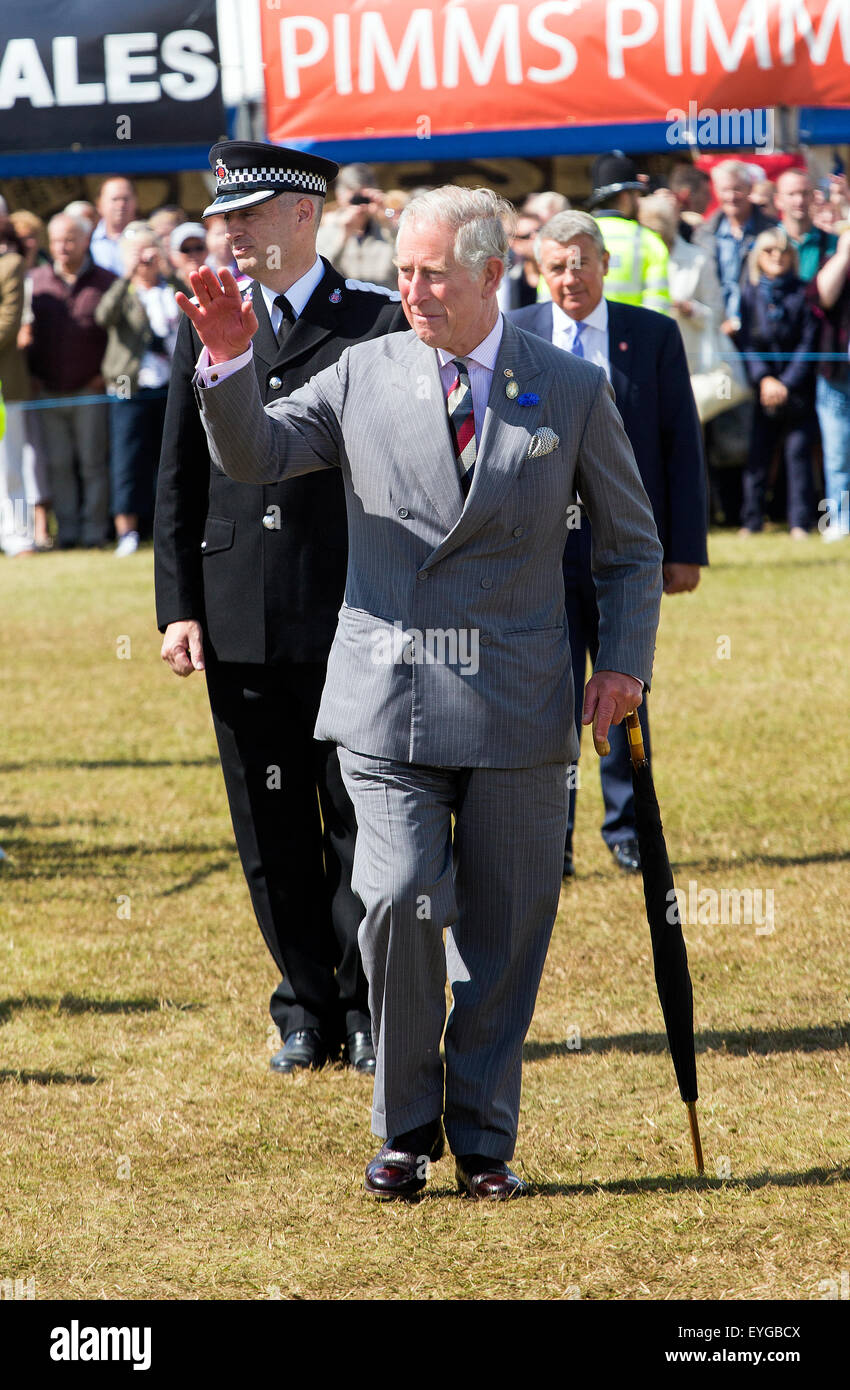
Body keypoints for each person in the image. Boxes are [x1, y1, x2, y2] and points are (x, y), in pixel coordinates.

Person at [181, 185, 664, 1200]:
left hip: (521, 701)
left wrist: (622, 662)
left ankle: (485, 1140)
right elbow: (256, 453)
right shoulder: (363, 372)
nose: (412, 289)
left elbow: (627, 546)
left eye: (433, 273)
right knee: (396, 896)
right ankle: (404, 1128)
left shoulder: (569, 389)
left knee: (506, 925)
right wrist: (226, 364)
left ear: (494, 275)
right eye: (402, 270)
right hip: (387, 699)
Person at [154, 141, 406, 1078]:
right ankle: (304, 1006)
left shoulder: (376, 320)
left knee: (361, 823)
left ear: (306, 214)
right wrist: (178, 605)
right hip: (241, 608)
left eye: (249, 212)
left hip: (350, 608)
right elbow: (178, 472)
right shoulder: (210, 320)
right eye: (224, 214)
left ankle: (370, 1001)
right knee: (270, 831)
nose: (231, 228)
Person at [511, 210, 706, 877]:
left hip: (622, 553)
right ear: (541, 271)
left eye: (582, 263)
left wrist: (685, 549)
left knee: (623, 688)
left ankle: (629, 831)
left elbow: (682, 443)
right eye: (557, 266)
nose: (571, 277)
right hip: (538, 553)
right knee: (547, 700)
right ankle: (548, 839)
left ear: (604, 265)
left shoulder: (650, 336)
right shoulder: (514, 333)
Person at [27, 213, 114, 548]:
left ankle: (94, 532)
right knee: (58, 464)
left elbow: (118, 336)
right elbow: (26, 334)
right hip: (47, 390)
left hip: (89, 389)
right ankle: (68, 532)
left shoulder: (106, 281)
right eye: (57, 240)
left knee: (93, 462)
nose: (63, 247)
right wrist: (31, 375)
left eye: (70, 239)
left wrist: (105, 375)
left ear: (85, 240)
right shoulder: (35, 281)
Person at [96, 225, 180, 555]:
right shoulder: (124, 291)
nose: (145, 260)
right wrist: (128, 274)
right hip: (130, 385)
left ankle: (167, 527)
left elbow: (192, 304)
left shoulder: (169, 288)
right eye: (138, 254)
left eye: (150, 252)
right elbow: (103, 315)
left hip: (170, 385)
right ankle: (127, 531)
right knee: (127, 460)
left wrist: (168, 270)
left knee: (170, 460)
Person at [736, 228, 818, 539]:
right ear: (759, 257)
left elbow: (809, 344)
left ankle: (800, 522)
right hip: (764, 390)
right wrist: (765, 380)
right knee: (758, 454)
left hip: (797, 390)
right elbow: (747, 343)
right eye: (769, 252)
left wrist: (786, 382)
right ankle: (751, 521)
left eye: (783, 252)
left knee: (798, 455)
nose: (777, 258)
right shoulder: (751, 293)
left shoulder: (803, 293)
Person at [693, 161, 777, 333]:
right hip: (714, 329)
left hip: (757, 329)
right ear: (716, 191)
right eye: (725, 190)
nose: (731, 196)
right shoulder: (703, 234)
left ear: (750, 189)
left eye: (737, 188)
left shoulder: (771, 232)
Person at [587, 152, 670, 314]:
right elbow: (657, 306)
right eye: (637, 194)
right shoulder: (649, 241)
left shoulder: (576, 238)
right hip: (631, 336)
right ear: (625, 197)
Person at [812, 228, 850, 540]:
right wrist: (844, 251)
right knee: (836, 455)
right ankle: (836, 520)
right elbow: (822, 296)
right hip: (836, 374)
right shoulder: (835, 257)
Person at [0, 217, 34, 555]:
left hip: (4, 386)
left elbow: (9, 322)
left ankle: (21, 535)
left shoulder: (9, 264)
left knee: (11, 467)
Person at [316, 164, 396, 289]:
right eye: (355, 199)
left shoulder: (387, 229)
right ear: (339, 196)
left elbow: (405, 262)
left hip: (386, 304)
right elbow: (320, 276)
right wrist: (344, 237)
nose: (359, 206)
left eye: (363, 199)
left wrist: (387, 223)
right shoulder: (324, 232)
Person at [775, 168, 837, 283]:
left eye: (805, 193)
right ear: (778, 200)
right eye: (791, 194)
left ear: (814, 197)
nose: (799, 200)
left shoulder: (832, 243)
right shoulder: (767, 244)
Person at [90, 178, 138, 277]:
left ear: (135, 202)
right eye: (114, 199)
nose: (121, 205)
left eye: (126, 199)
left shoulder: (150, 237)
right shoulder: (86, 240)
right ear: (99, 204)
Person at [168, 223, 209, 292]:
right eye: (185, 249)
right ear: (173, 255)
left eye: (199, 248)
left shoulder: (221, 282)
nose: (194, 254)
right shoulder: (167, 289)